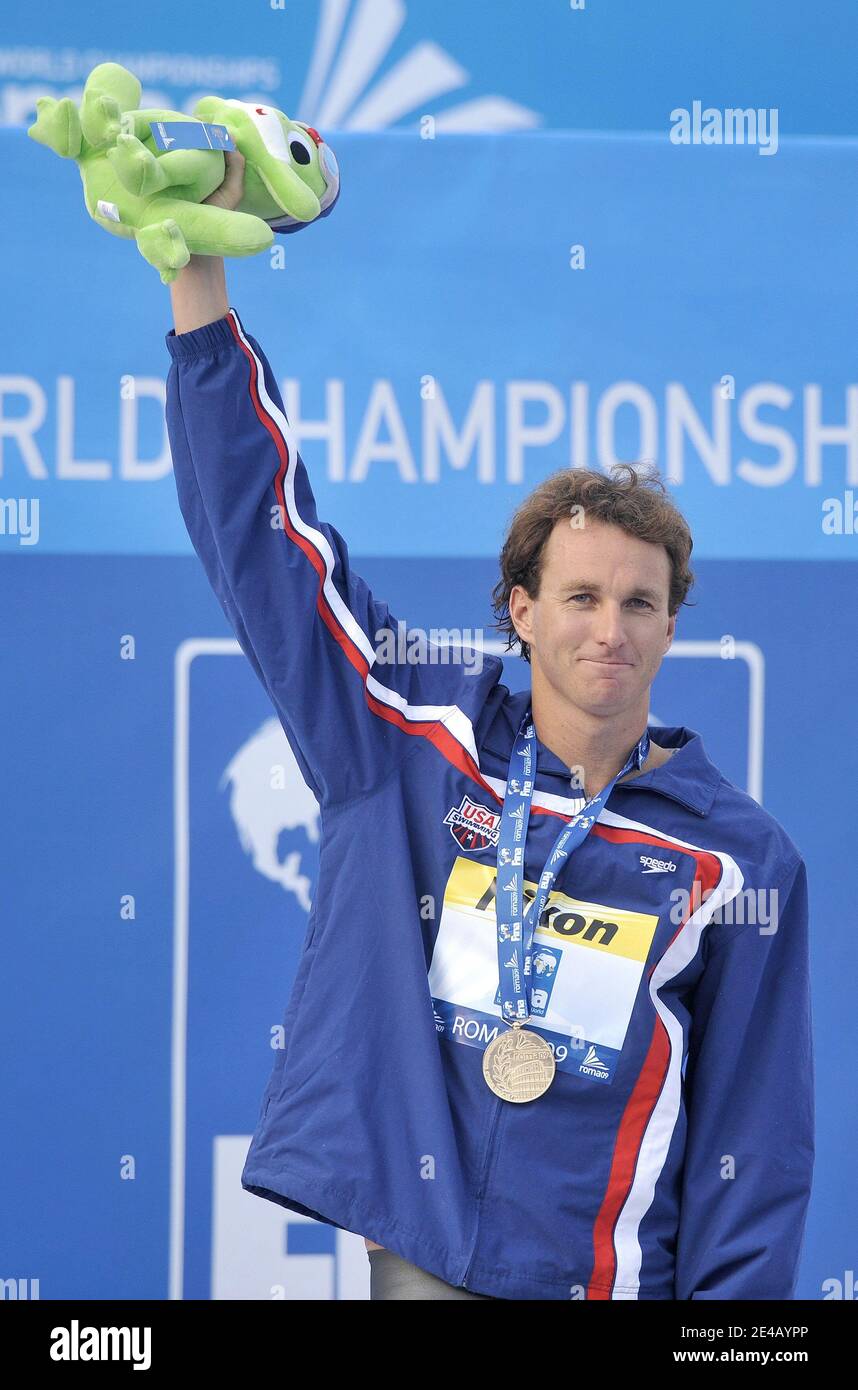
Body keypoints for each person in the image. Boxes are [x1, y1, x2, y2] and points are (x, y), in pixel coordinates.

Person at [164, 152, 814, 1301]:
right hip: (420, 1265)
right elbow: (270, 546)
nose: (609, 629)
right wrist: (199, 288)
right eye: (579, 596)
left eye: (639, 603)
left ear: (672, 627)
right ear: (520, 609)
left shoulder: (737, 860)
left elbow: (752, 1148)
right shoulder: (411, 740)